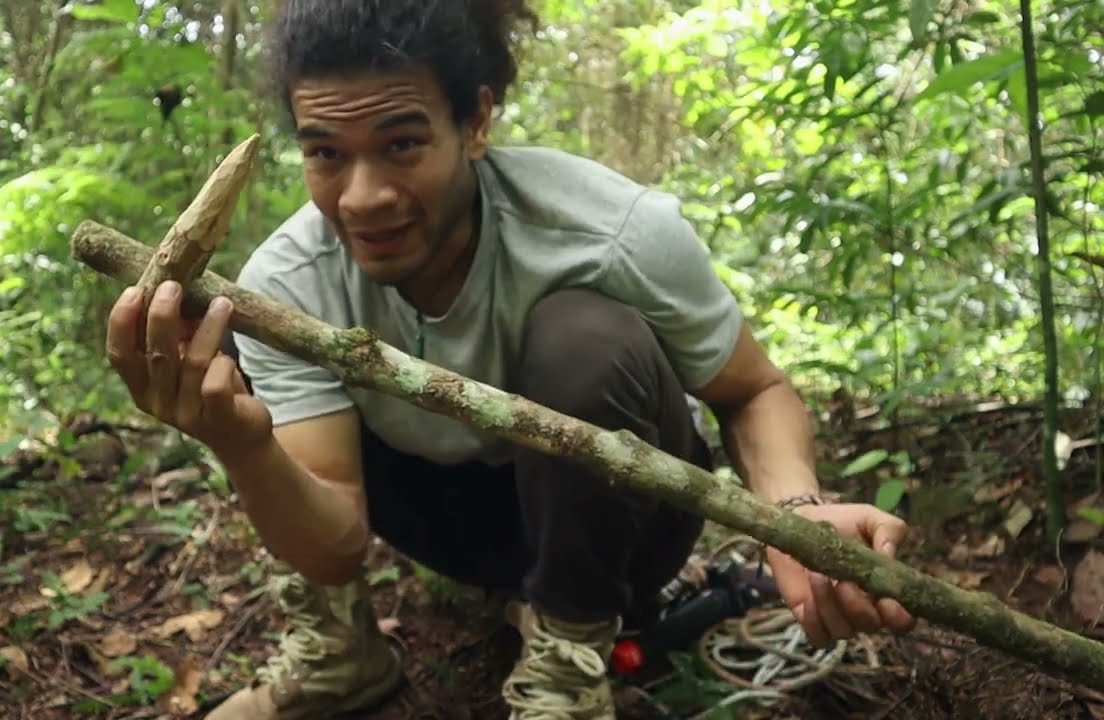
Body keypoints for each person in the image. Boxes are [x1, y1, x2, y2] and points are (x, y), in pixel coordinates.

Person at [104, 1, 917, 718]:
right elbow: (338, 539)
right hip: (450, 526)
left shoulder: (610, 231)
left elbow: (754, 390)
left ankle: (568, 665)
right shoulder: (291, 280)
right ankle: (342, 655)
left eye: (402, 143)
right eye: (325, 153)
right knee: (242, 328)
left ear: (477, 122)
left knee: (586, 338)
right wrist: (242, 446)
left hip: (623, 519)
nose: (362, 196)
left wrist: (797, 513)